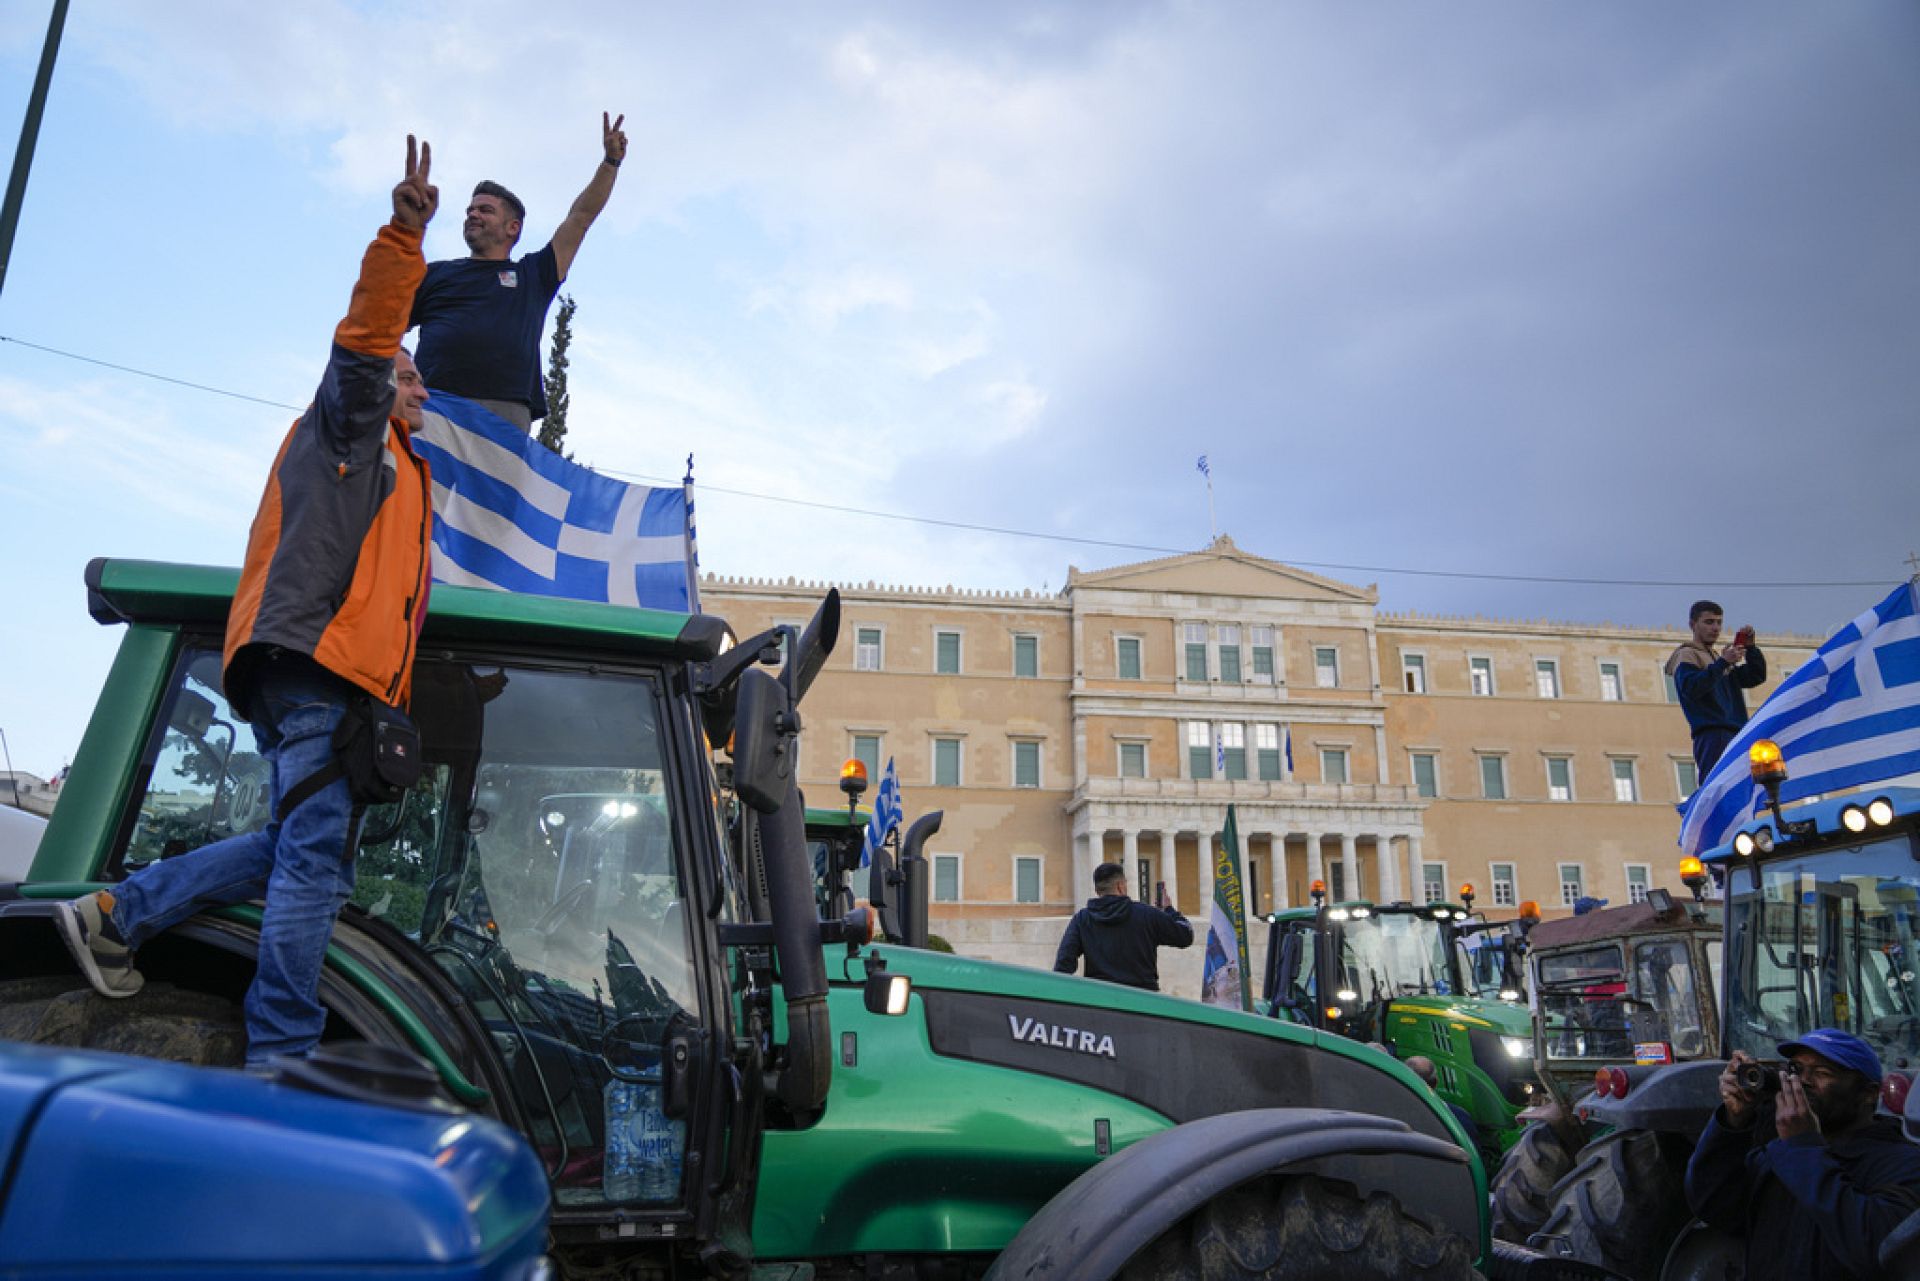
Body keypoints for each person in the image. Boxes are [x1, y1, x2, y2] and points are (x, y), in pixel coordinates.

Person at [52, 136, 441, 1069]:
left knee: (284, 842)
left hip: (315, 673)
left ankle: (118, 911)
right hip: (315, 668)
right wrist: (403, 237)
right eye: (411, 375)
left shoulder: (399, 469)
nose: (421, 388)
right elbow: (361, 346)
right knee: (316, 863)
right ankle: (284, 1059)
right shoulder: (354, 426)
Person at [408, 113, 627, 429]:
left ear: (513, 227)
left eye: (485, 210)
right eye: (470, 209)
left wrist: (610, 162)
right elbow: (385, 326)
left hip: (504, 411)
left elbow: (580, 218)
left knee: (497, 482)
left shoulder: (532, 276)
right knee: (421, 480)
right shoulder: (436, 274)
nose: (473, 215)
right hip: (434, 404)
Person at [1685, 1030, 1920, 1279]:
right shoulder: (1778, 1155)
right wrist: (1733, 1123)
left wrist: (1803, 1148)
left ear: (1869, 1093)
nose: (1802, 1081)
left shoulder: (1902, 1163)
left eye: (1822, 1073)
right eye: (1796, 1070)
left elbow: (1879, 1249)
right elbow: (1714, 1207)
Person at [1053, 861, 1193, 991]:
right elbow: (1185, 936)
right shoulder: (1147, 915)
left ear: (1097, 891)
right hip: (1144, 1001)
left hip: (1099, 1000)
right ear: (1120, 886)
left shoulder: (1082, 919)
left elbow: (1063, 963)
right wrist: (1169, 910)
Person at [1667, 599, 1767, 777]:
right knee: (1717, 789)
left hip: (1735, 732)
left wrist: (1751, 648)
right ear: (1693, 625)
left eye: (1719, 622)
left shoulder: (1717, 658)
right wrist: (1723, 663)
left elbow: (1755, 676)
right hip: (1713, 734)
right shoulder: (1687, 654)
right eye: (1709, 622)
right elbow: (1691, 688)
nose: (1715, 628)